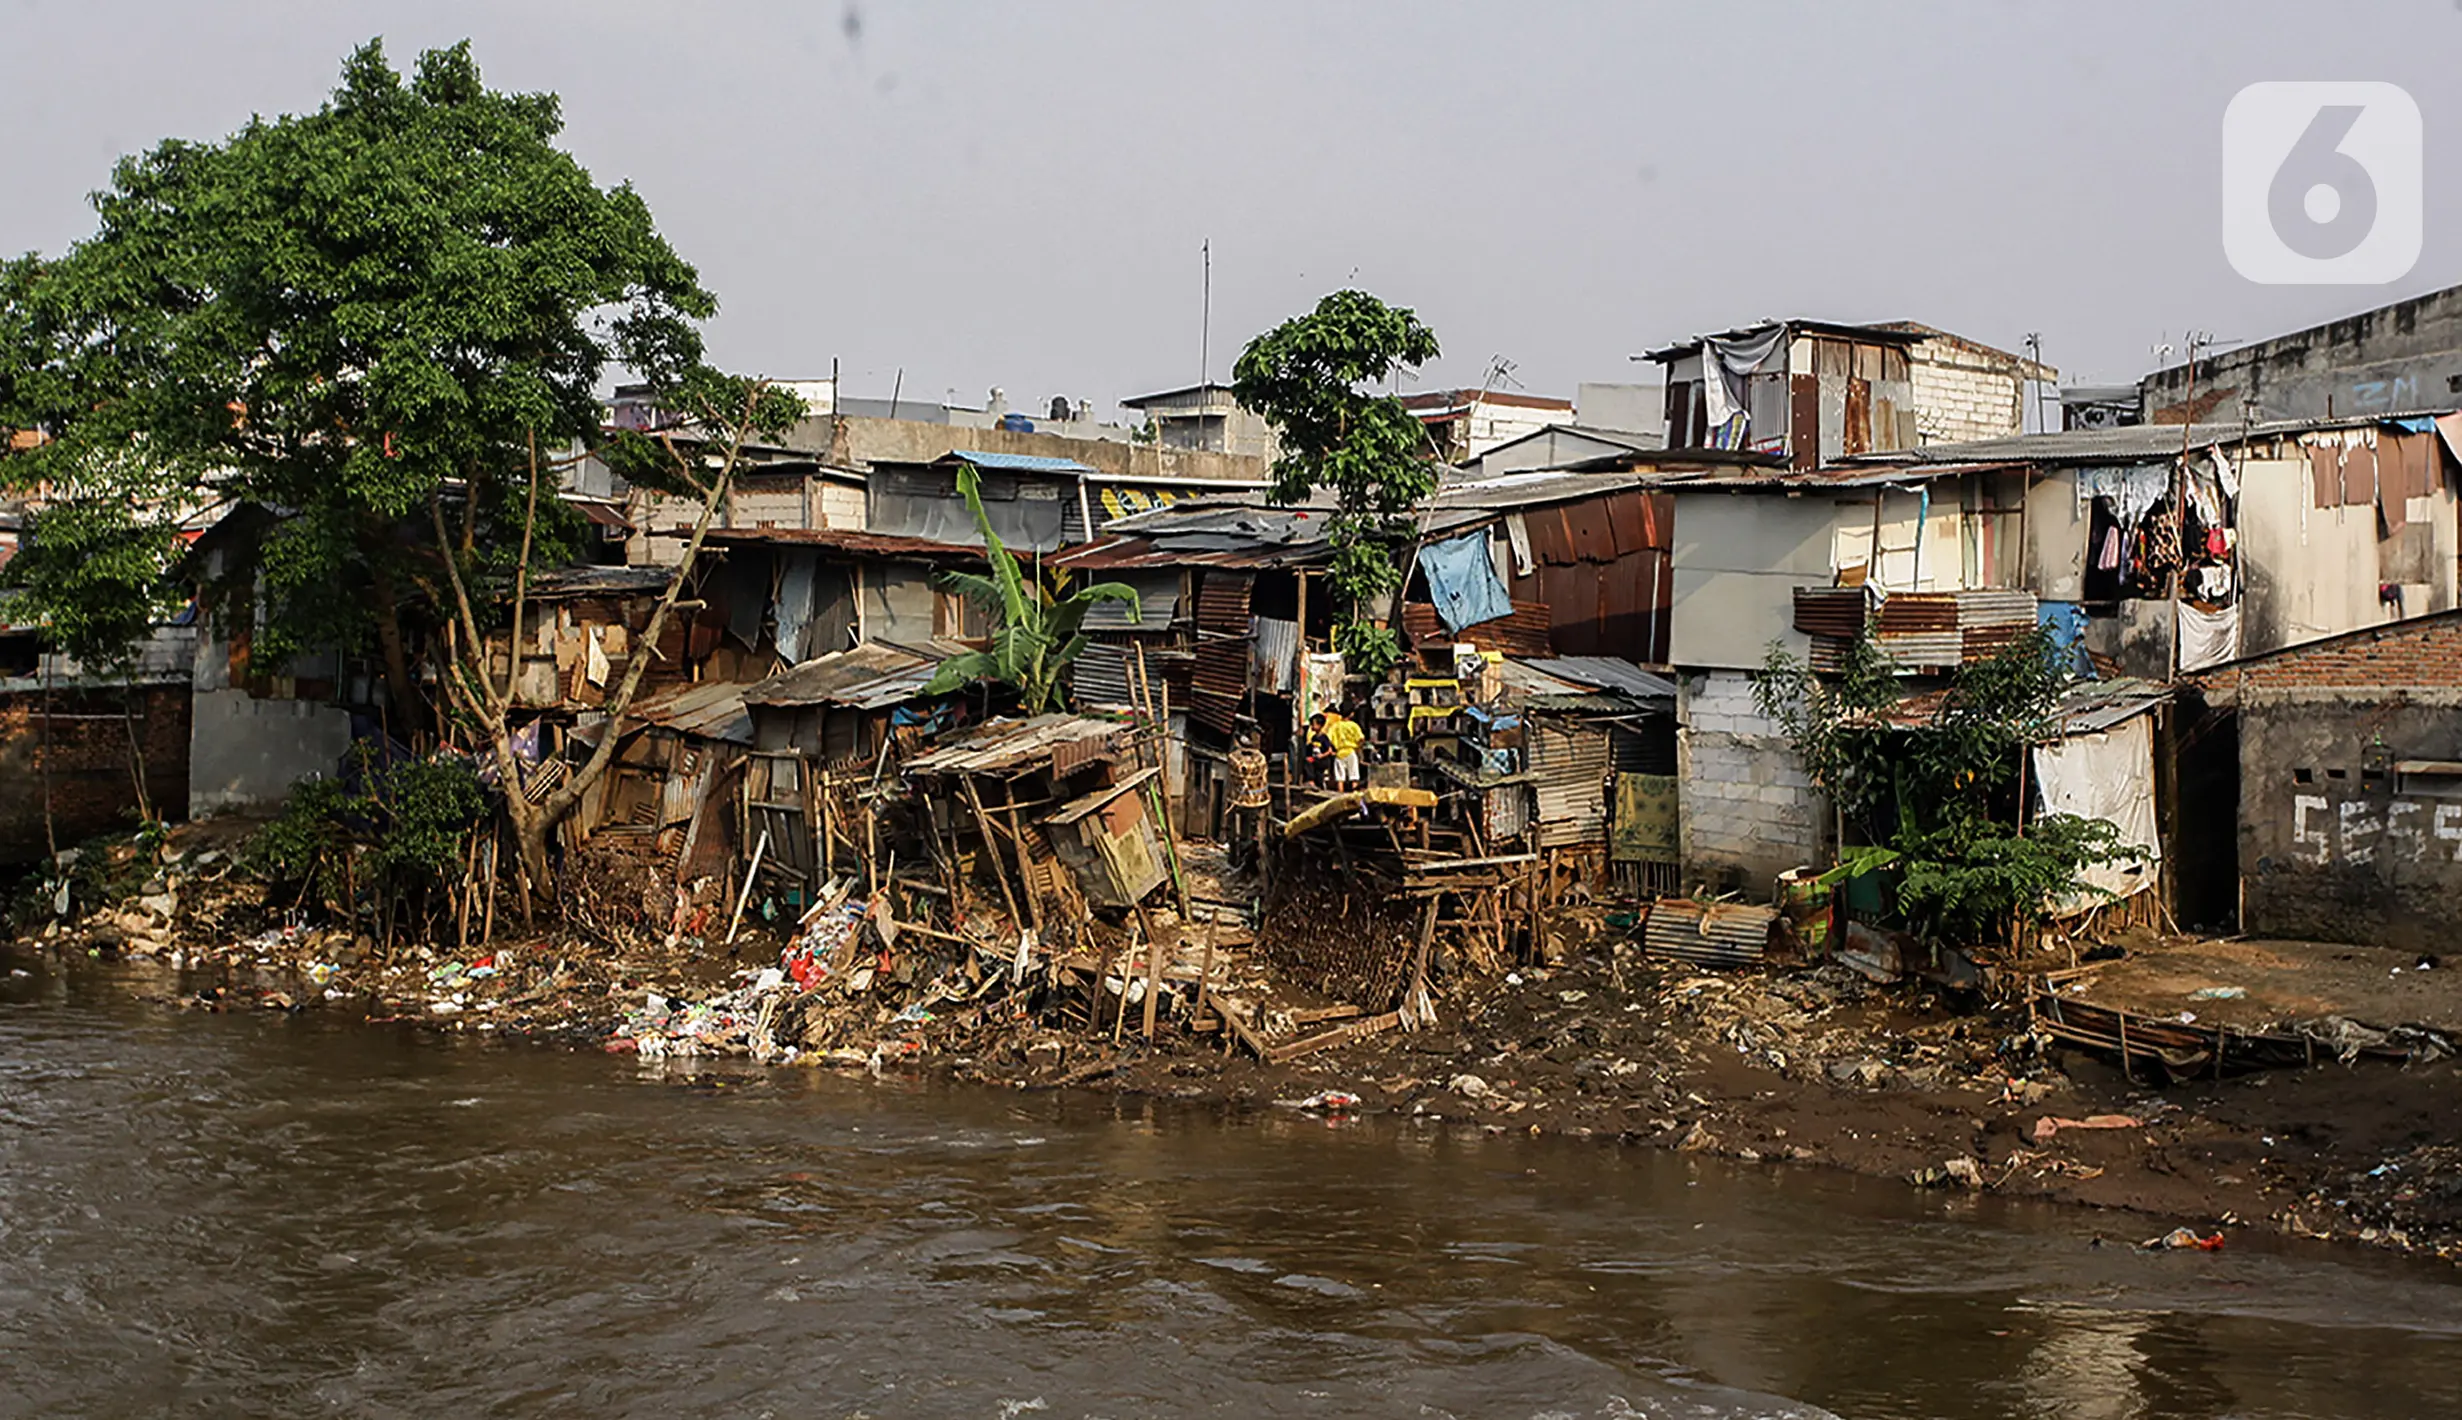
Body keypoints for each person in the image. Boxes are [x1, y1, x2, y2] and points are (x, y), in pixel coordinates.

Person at [1321, 706, 1366, 789]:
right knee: (1354, 776)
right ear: (1351, 714)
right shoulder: (1354, 726)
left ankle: (1339, 795)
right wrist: (1359, 748)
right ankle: (1354, 794)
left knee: (1340, 778)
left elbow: (1329, 739)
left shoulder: (1335, 726)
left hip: (1339, 753)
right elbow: (1361, 739)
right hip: (1351, 752)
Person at [1303, 712, 1335, 786]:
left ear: (1320, 725)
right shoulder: (1314, 737)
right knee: (1311, 765)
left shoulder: (1324, 737)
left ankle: (1312, 781)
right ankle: (1314, 782)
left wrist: (1322, 755)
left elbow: (1329, 750)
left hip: (1323, 760)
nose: (1311, 727)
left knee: (1314, 768)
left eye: (1313, 724)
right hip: (1316, 759)